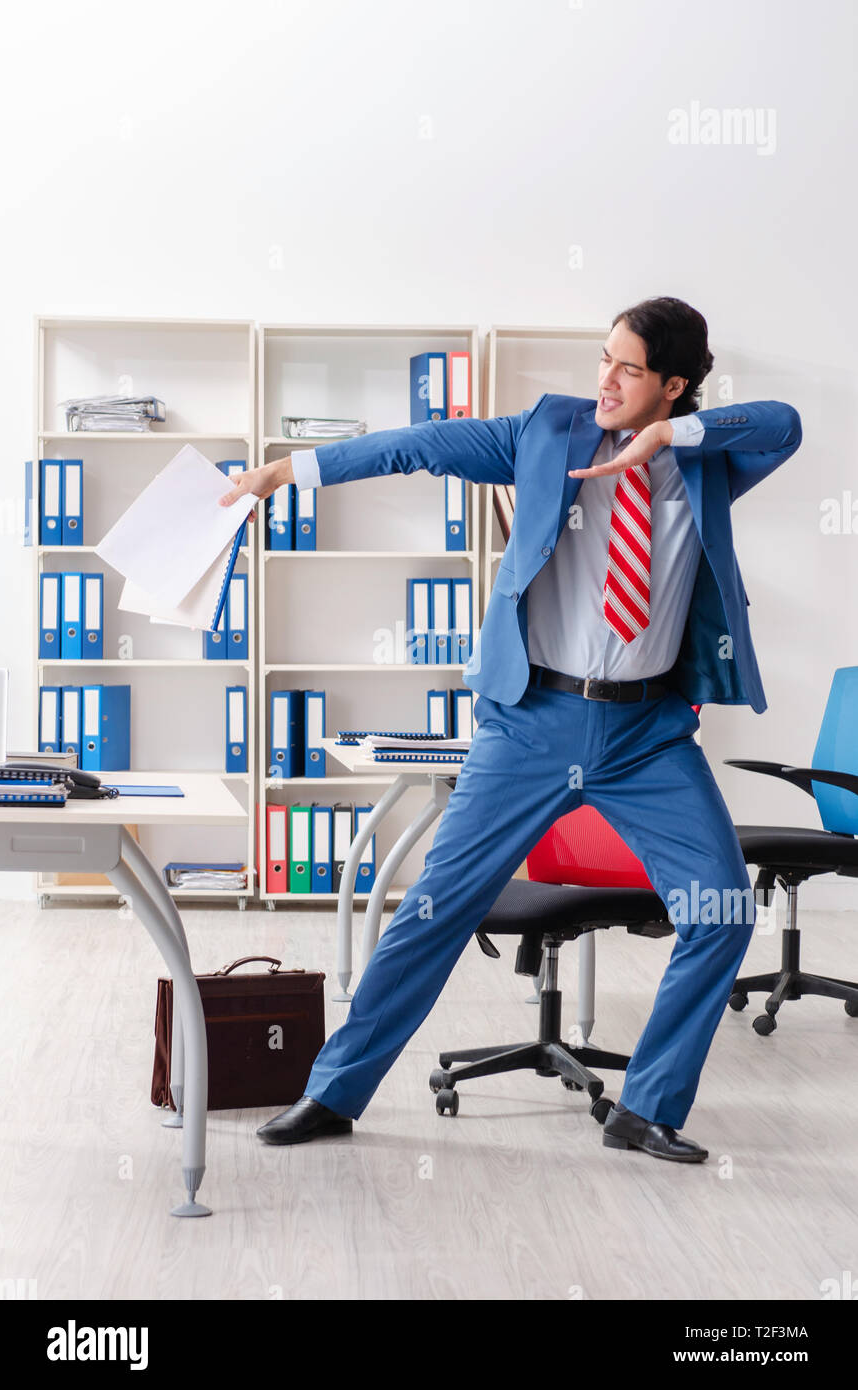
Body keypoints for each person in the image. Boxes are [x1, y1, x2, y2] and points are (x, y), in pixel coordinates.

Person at [220, 297, 802, 1163]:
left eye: (630, 369)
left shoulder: (711, 459)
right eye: (603, 358)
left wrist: (668, 439)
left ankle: (644, 1108)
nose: (604, 379)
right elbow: (413, 446)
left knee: (719, 909)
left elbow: (782, 424)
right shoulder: (545, 431)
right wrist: (286, 470)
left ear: (675, 385)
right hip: (532, 722)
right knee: (433, 909)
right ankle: (333, 1093)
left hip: (647, 736)